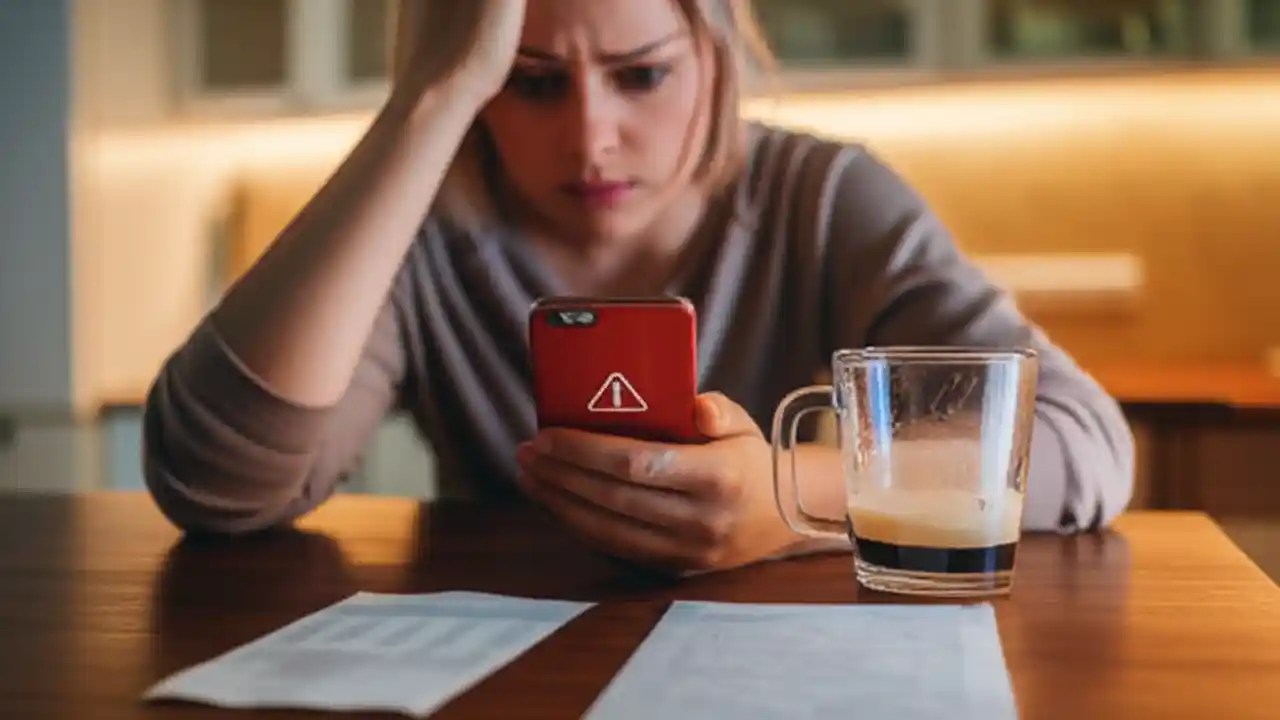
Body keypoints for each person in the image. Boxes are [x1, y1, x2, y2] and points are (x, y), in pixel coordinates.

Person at [143, 0, 1134, 572]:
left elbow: (1076, 443)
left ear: (716, 49)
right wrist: (425, 103)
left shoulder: (821, 201)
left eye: (642, 75)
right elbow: (213, 485)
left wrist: (791, 500)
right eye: (528, 81)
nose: (590, 138)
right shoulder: (415, 233)